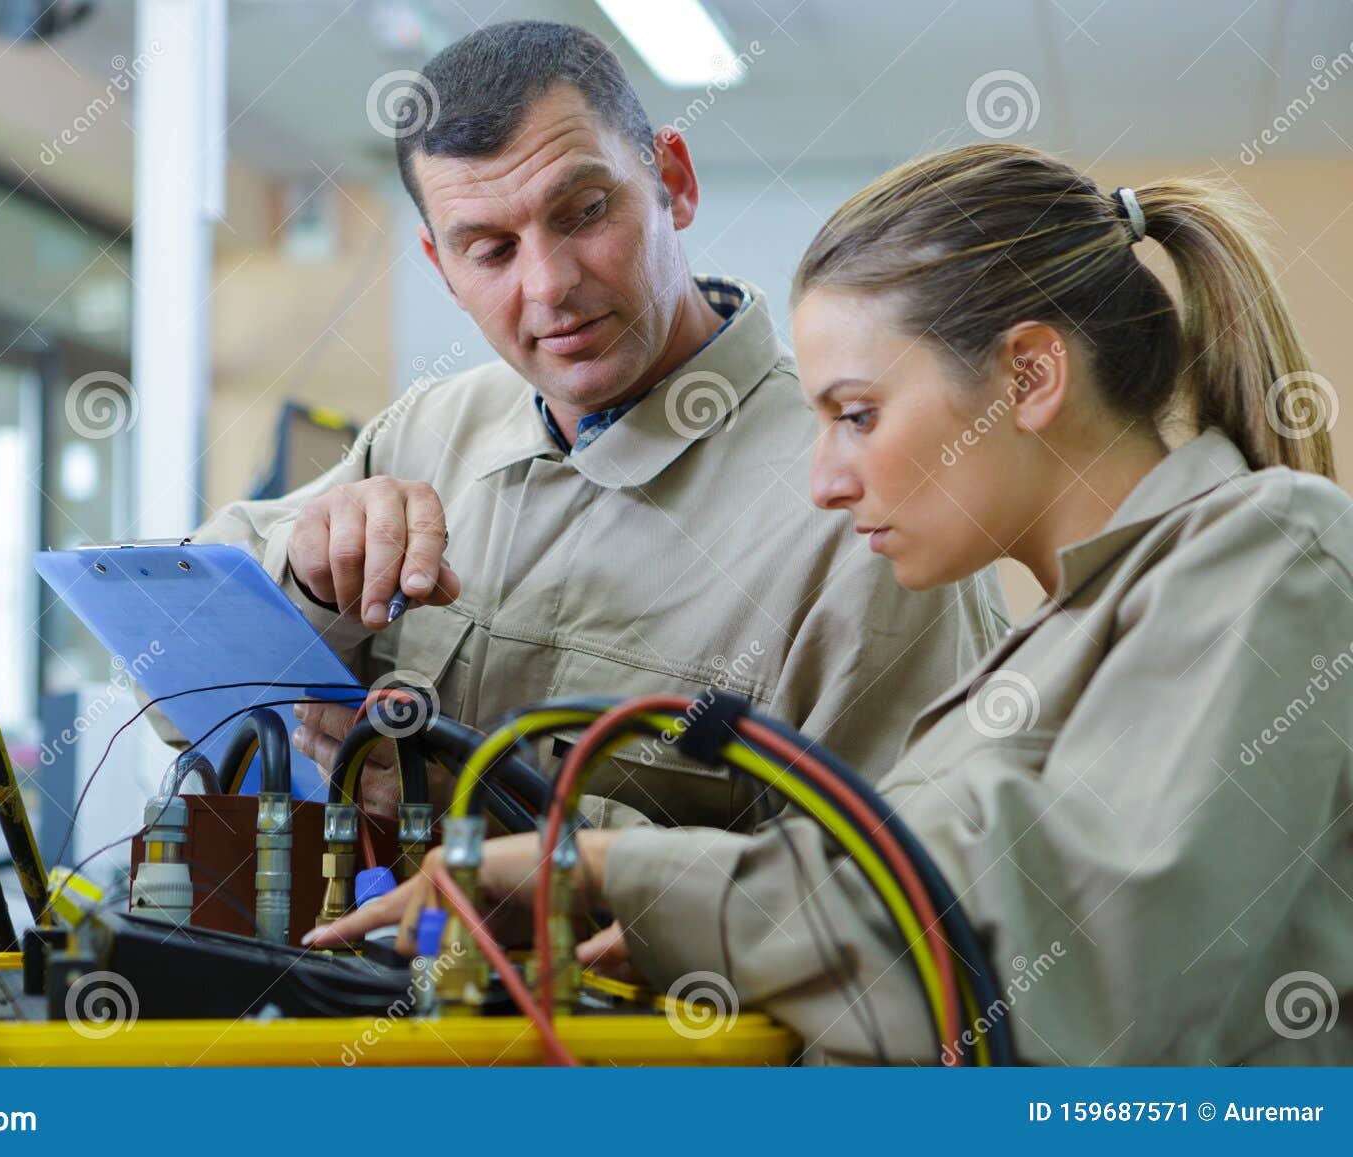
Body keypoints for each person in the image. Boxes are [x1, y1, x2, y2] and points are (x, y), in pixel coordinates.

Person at [311, 143, 1353, 1066]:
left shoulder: (1273, 550)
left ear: (1028, 375)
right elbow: (922, 911)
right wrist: (733, 933)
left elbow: (1065, 968)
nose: (825, 480)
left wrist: (617, 869)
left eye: (857, 414)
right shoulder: (1053, 635)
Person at [182, 22, 1006, 829]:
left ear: (673, 182)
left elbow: (911, 901)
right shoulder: (431, 428)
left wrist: (493, 813)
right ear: (443, 269)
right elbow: (179, 671)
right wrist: (311, 581)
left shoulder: (863, 499)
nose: (550, 285)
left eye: (582, 212)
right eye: (491, 250)